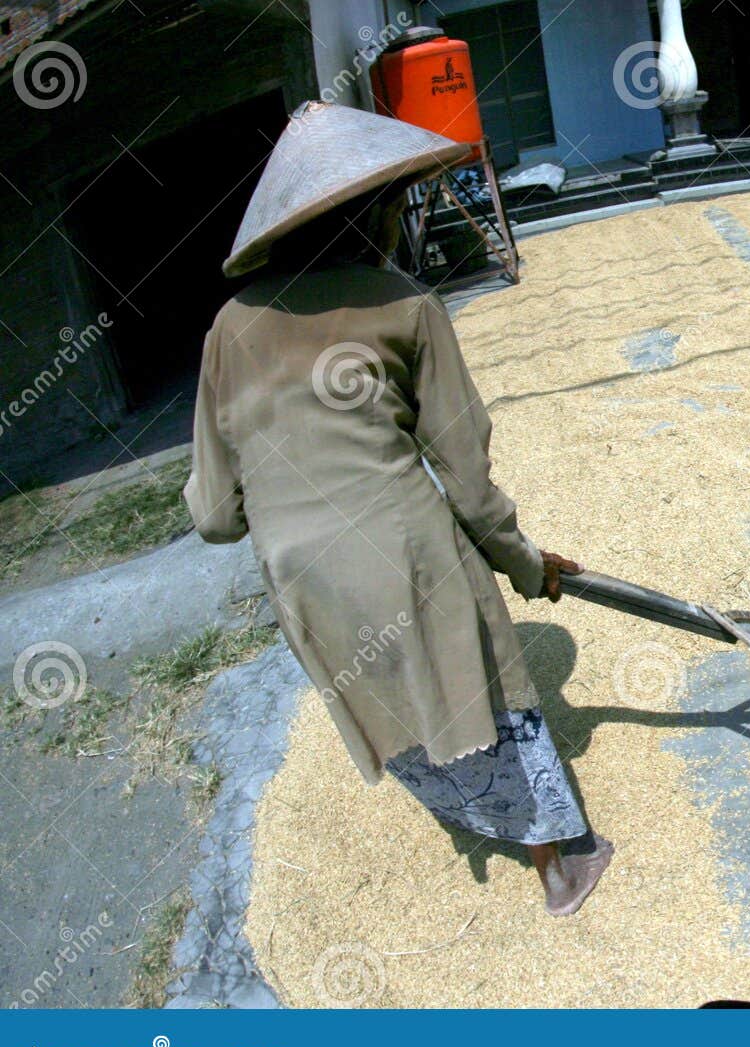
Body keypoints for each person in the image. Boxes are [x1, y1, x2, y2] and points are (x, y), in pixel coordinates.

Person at [185, 101, 611, 916]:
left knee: (394, 694)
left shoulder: (226, 331)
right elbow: (468, 484)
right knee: (484, 683)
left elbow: (214, 516)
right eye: (395, 207)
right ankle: (560, 869)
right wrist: (527, 568)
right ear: (373, 215)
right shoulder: (405, 304)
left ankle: (469, 812)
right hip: (408, 554)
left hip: (303, 579)